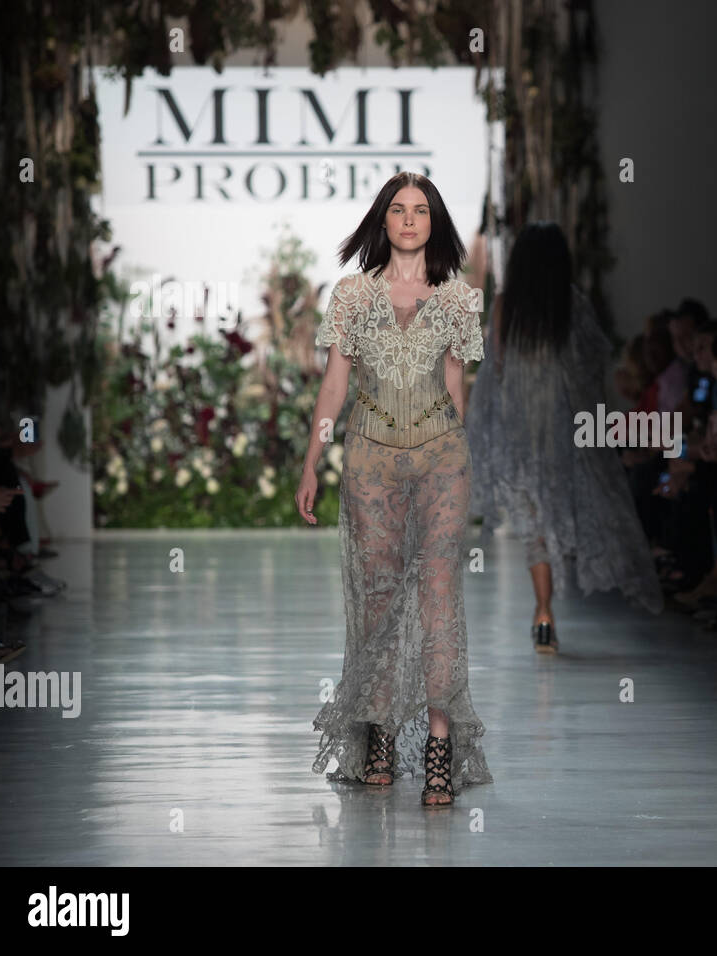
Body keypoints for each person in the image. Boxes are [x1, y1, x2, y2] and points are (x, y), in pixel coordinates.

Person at [296, 171, 493, 807]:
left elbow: (457, 388)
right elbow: (333, 387)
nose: (410, 220)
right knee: (378, 597)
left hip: (440, 455)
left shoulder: (460, 299)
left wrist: (464, 468)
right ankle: (378, 732)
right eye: (399, 210)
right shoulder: (352, 295)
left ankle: (440, 746)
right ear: (383, 220)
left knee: (439, 595)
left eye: (421, 210)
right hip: (370, 461)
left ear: (434, 222)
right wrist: (311, 461)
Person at [467, 221, 663, 653]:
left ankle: (543, 611)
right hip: (563, 430)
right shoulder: (572, 305)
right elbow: (590, 368)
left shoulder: (504, 305)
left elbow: (496, 371)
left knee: (534, 526)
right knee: (561, 515)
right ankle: (553, 600)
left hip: (520, 430)